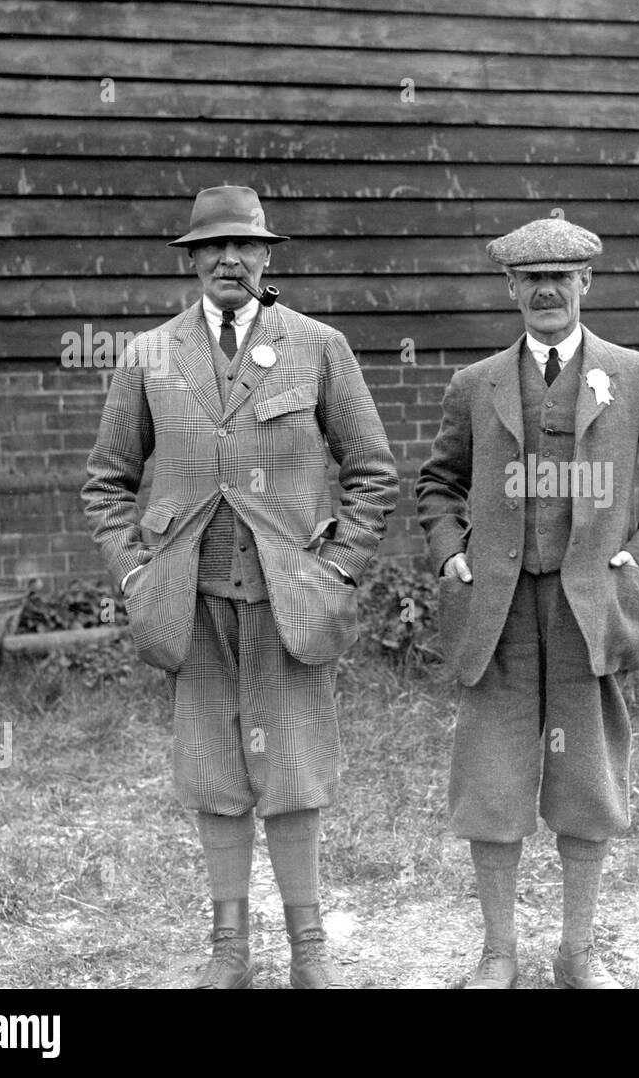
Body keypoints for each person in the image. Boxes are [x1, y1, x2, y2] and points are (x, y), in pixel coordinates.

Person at [82, 185, 399, 989]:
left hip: (289, 598)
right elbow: (106, 482)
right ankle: (230, 947)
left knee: (293, 769)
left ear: (267, 257)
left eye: (245, 247)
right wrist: (134, 570)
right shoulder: (149, 355)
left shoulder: (319, 345)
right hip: (188, 600)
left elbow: (371, 471)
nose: (229, 259)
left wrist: (338, 566)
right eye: (212, 248)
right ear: (190, 260)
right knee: (213, 772)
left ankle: (309, 947)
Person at [416, 217, 639, 988]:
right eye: (531, 277)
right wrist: (451, 549)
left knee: (585, 775)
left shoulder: (636, 375)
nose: (546, 289)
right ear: (510, 287)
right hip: (499, 610)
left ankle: (576, 951)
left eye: (562, 275)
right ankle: (498, 953)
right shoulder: (475, 384)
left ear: (587, 282)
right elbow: (438, 484)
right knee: (491, 775)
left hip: (588, 607)